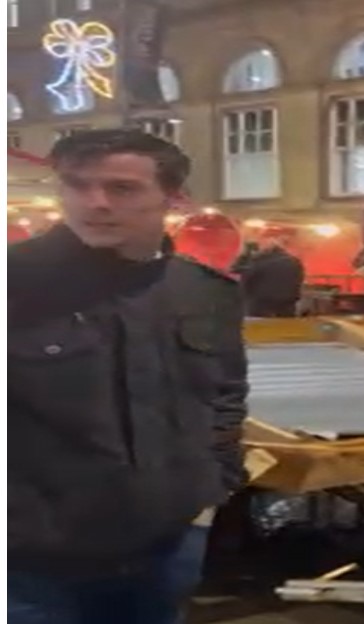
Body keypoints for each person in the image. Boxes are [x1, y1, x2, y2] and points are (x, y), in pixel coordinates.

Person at [8, 129, 249, 624]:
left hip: (167, 545)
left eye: (121, 188)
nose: (95, 203)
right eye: (77, 185)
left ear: (174, 197)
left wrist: (211, 487)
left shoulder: (205, 292)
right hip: (31, 562)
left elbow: (225, 393)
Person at [236, 238, 305, 317]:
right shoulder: (294, 261)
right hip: (287, 302)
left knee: (258, 323)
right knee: (285, 323)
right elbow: (299, 279)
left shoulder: (260, 262)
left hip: (261, 303)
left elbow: (246, 280)